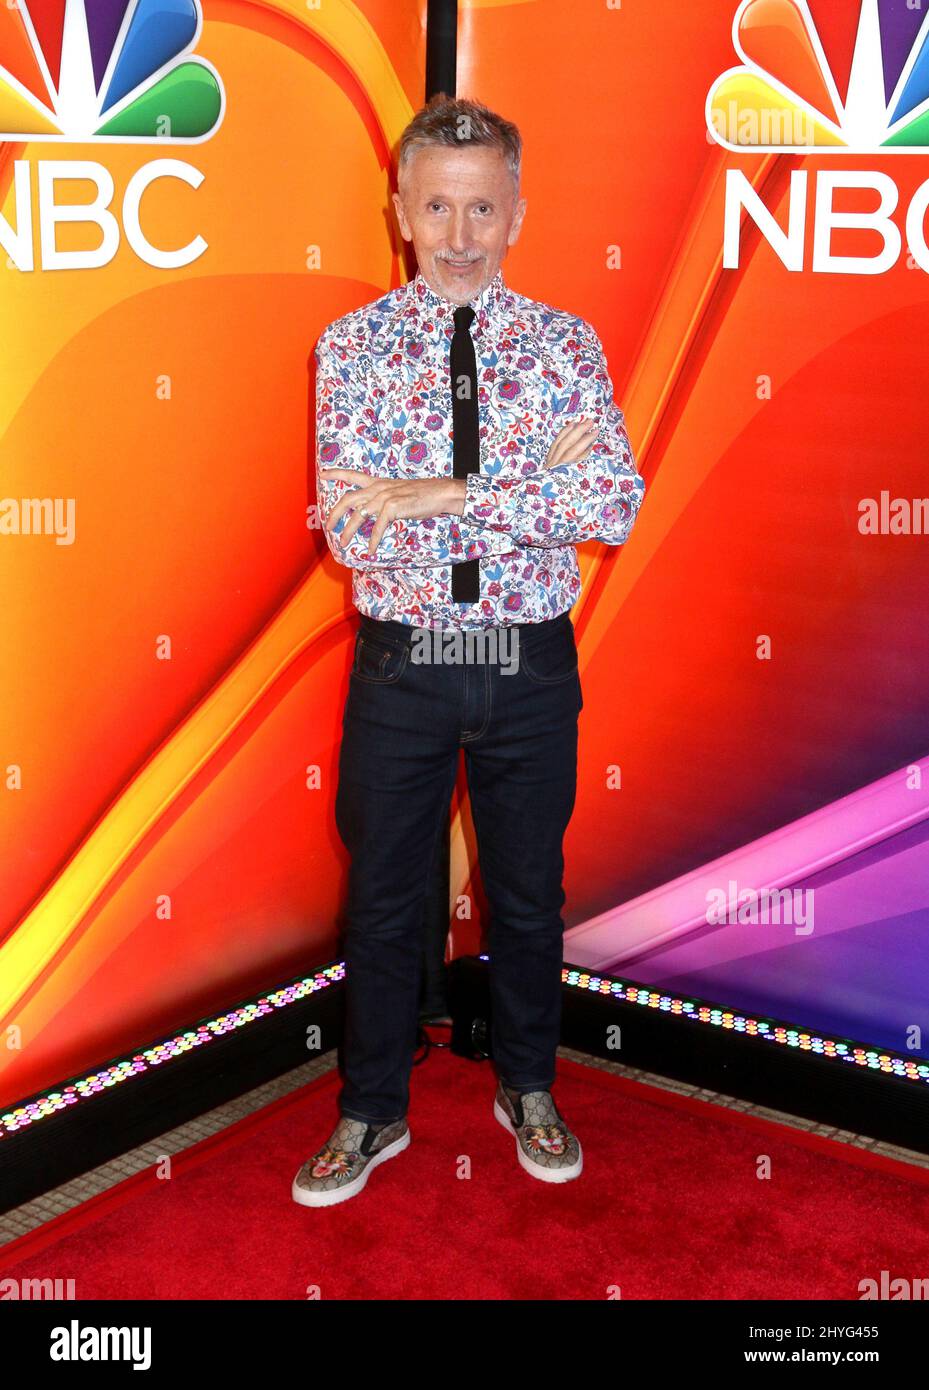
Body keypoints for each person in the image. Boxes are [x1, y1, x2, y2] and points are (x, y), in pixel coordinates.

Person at [292, 94, 646, 1208]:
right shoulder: (347, 348)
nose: (457, 235)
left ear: (516, 213)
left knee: (529, 892)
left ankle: (529, 1085)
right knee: (384, 901)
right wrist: (536, 487)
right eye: (436, 206)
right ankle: (370, 1110)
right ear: (399, 208)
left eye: (480, 209)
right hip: (399, 664)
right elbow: (352, 527)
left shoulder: (564, 344)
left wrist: (446, 491)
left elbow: (617, 503)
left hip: (529, 662)